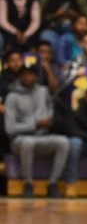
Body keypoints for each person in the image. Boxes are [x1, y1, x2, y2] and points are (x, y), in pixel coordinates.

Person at [5, 64, 69, 196]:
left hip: (42, 136)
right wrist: (35, 124)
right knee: (28, 142)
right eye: (25, 74)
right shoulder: (12, 96)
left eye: (31, 74)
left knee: (63, 142)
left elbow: (51, 105)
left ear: (36, 76)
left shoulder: (43, 91)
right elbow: (10, 128)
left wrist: (49, 118)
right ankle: (28, 183)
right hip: (19, 139)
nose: (28, 77)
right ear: (20, 76)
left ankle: (53, 183)